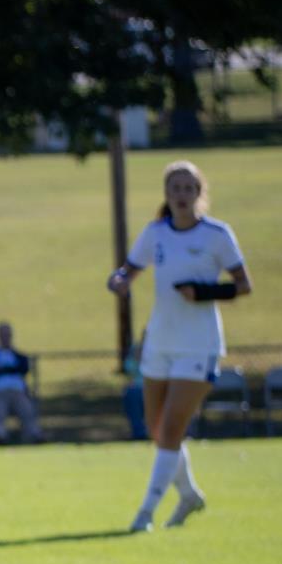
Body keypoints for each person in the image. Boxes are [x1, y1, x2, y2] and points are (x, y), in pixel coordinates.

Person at [107, 159, 251, 531]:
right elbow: (130, 269)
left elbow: (242, 284)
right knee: (157, 430)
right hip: (160, 342)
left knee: (171, 429)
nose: (182, 195)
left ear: (199, 193)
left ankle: (145, 513)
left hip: (198, 346)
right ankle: (189, 495)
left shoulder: (217, 234)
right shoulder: (155, 233)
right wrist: (119, 280)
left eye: (189, 188)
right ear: (167, 194)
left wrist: (202, 292)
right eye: (176, 188)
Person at [0, 322, 43, 444]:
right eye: (3, 335)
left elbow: (23, 369)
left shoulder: (19, 356)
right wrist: (11, 369)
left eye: (8, 334)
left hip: (18, 393)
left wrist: (3, 369)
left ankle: (35, 436)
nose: (5, 337)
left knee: (28, 411)